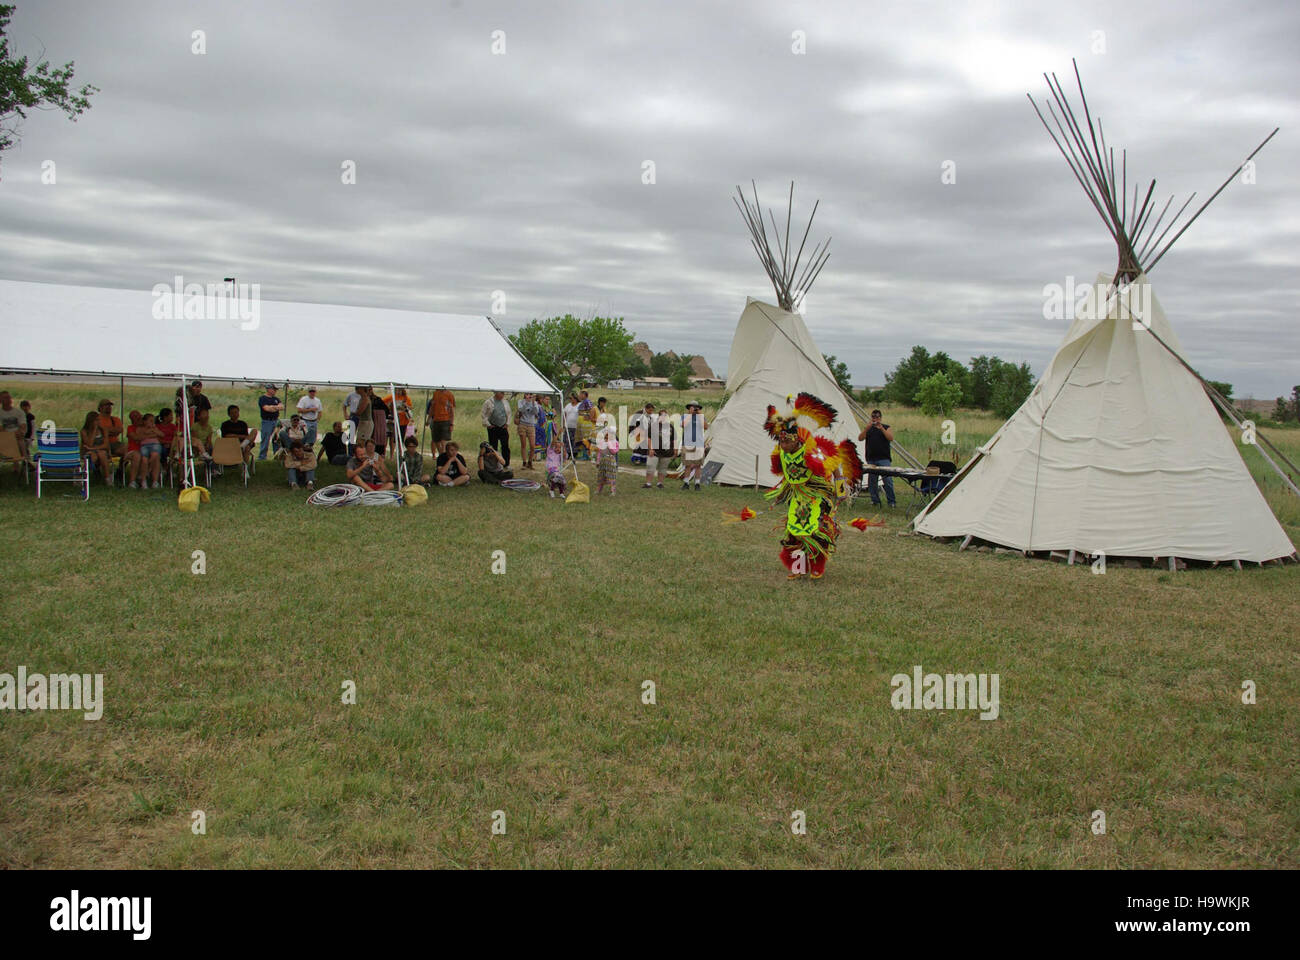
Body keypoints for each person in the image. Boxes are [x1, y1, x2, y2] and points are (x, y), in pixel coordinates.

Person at [764, 392, 864, 580]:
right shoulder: (781, 453)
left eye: (786, 440)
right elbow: (788, 475)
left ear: (795, 439)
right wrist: (783, 491)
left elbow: (834, 464)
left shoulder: (810, 452)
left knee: (815, 531)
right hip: (798, 497)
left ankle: (817, 565)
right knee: (794, 532)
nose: (782, 443)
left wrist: (840, 488)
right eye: (781, 440)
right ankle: (798, 567)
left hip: (816, 496)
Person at [858, 408, 896, 508]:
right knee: (872, 481)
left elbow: (890, 438)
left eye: (877, 417)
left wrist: (881, 428)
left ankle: (891, 501)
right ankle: (875, 500)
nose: (875, 419)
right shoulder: (869, 429)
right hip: (871, 459)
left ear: (880, 418)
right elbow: (860, 438)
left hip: (884, 459)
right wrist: (867, 428)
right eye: (873, 417)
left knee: (887, 481)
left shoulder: (886, 427)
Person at [644, 405, 677, 489]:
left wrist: (675, 450)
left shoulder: (671, 427)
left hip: (667, 452)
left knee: (663, 468)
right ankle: (648, 483)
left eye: (665, 415)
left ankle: (660, 483)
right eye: (662, 415)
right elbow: (648, 438)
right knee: (650, 467)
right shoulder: (654, 426)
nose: (664, 417)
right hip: (654, 451)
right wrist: (650, 448)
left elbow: (674, 439)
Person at [680, 400, 708, 490]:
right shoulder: (684, 416)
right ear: (689, 408)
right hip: (688, 444)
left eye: (697, 408)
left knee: (698, 465)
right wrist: (690, 414)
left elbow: (706, 427)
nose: (695, 409)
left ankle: (697, 484)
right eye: (692, 407)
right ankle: (686, 483)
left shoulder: (701, 417)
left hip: (699, 444)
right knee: (687, 465)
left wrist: (699, 415)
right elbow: (683, 425)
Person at [480, 390, 511, 467]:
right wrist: (488, 425)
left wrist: (507, 424)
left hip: (503, 427)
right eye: (502, 393)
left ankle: (506, 463)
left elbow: (509, 413)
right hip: (493, 427)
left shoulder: (505, 402)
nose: (503, 395)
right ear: (496, 393)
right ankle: (495, 464)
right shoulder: (488, 402)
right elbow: (483, 414)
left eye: (504, 393)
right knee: (493, 446)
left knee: (505, 445)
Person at [80, 411, 112, 483]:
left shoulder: (104, 430)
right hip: (88, 452)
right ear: (91, 421)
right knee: (94, 456)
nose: (99, 422)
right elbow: (89, 444)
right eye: (96, 420)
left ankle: (107, 479)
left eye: (99, 420)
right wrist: (94, 430)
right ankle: (81, 475)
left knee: (102, 453)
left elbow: (106, 445)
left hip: (100, 451)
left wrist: (93, 448)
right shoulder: (84, 431)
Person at [133, 413, 164, 488]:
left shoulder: (155, 428)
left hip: (155, 445)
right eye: (150, 421)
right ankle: (143, 481)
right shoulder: (140, 429)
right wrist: (151, 434)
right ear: (144, 421)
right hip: (144, 446)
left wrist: (154, 431)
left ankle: (154, 481)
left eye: (153, 421)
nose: (152, 422)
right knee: (144, 459)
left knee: (155, 455)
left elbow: (162, 435)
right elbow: (138, 438)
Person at [0, 391, 27, 471]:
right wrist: (11, 435)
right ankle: (21, 461)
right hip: (4, 437)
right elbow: (1, 429)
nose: (8, 399)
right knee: (10, 438)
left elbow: (23, 426)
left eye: (9, 397)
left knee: (20, 438)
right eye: (5, 398)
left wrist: (20, 432)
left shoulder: (19, 412)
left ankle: (23, 461)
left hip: (18, 436)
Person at [257, 384, 284, 460]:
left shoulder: (276, 399)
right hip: (267, 421)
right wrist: (276, 407)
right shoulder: (263, 398)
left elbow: (281, 407)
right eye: (274, 389)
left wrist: (273, 407)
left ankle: (276, 456)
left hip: (276, 421)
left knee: (276, 439)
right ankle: (262, 457)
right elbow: (266, 409)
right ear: (268, 389)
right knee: (265, 439)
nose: (275, 391)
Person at [426, 387, 456, 457]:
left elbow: (451, 410)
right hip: (436, 420)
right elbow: (432, 407)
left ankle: (443, 456)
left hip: (446, 420)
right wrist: (429, 419)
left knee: (443, 441)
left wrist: (451, 423)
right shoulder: (435, 393)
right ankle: (441, 455)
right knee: (435, 440)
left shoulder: (449, 394)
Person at [514, 392, 539, 470]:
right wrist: (526, 402)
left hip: (531, 425)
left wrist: (533, 403)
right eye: (527, 394)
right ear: (525, 395)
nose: (529, 396)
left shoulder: (534, 403)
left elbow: (536, 412)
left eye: (530, 394)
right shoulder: (520, 401)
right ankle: (524, 463)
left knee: (532, 446)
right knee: (523, 444)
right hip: (522, 424)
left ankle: (530, 462)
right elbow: (522, 410)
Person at [629, 401, 654, 468]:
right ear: (646, 408)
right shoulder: (639, 413)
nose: (651, 412)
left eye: (652, 410)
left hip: (645, 433)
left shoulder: (649, 416)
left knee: (644, 447)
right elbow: (633, 423)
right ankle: (636, 459)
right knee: (638, 446)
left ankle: (643, 459)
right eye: (650, 410)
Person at [595, 427, 618, 497]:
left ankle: (613, 490)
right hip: (603, 460)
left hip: (610, 460)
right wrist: (598, 461)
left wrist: (609, 444)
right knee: (601, 475)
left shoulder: (615, 442)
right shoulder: (602, 442)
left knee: (611, 475)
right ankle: (599, 489)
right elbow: (600, 452)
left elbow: (614, 451)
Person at [343, 385, 363, 454]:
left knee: (361, 436)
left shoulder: (363, 396)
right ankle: (350, 453)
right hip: (353, 415)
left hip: (362, 416)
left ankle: (359, 452)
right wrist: (345, 414)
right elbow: (344, 404)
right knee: (351, 435)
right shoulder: (351, 395)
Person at [561, 393, 581, 459]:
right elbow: (565, 414)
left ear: (575, 398)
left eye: (571, 398)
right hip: (568, 426)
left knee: (575, 440)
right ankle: (568, 453)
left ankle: (574, 454)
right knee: (567, 440)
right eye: (570, 398)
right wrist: (563, 424)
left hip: (576, 426)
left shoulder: (579, 405)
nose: (570, 399)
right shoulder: (568, 405)